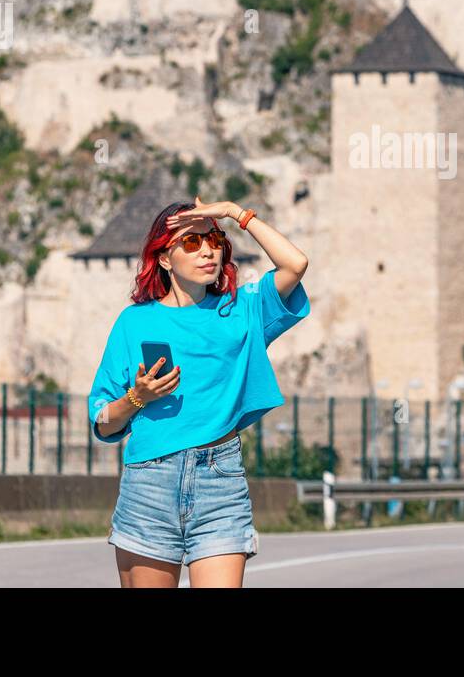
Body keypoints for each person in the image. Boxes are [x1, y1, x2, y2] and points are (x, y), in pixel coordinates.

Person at [88, 195, 309, 588]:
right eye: (192, 243)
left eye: (215, 242)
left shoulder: (243, 309)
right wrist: (137, 398)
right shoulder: (133, 322)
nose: (208, 250)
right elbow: (103, 423)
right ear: (165, 258)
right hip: (150, 484)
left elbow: (295, 263)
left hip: (220, 481)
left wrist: (234, 214)